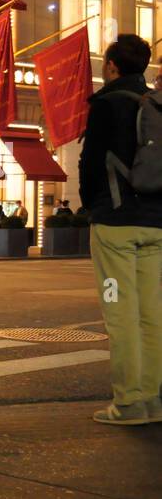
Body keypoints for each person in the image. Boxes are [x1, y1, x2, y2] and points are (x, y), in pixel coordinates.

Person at [76, 33, 162, 425]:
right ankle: (152, 399)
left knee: (120, 313)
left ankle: (127, 404)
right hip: (156, 225)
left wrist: (92, 205)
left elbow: (92, 164)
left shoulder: (107, 103)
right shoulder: (155, 103)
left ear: (111, 65)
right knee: (152, 314)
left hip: (115, 226)